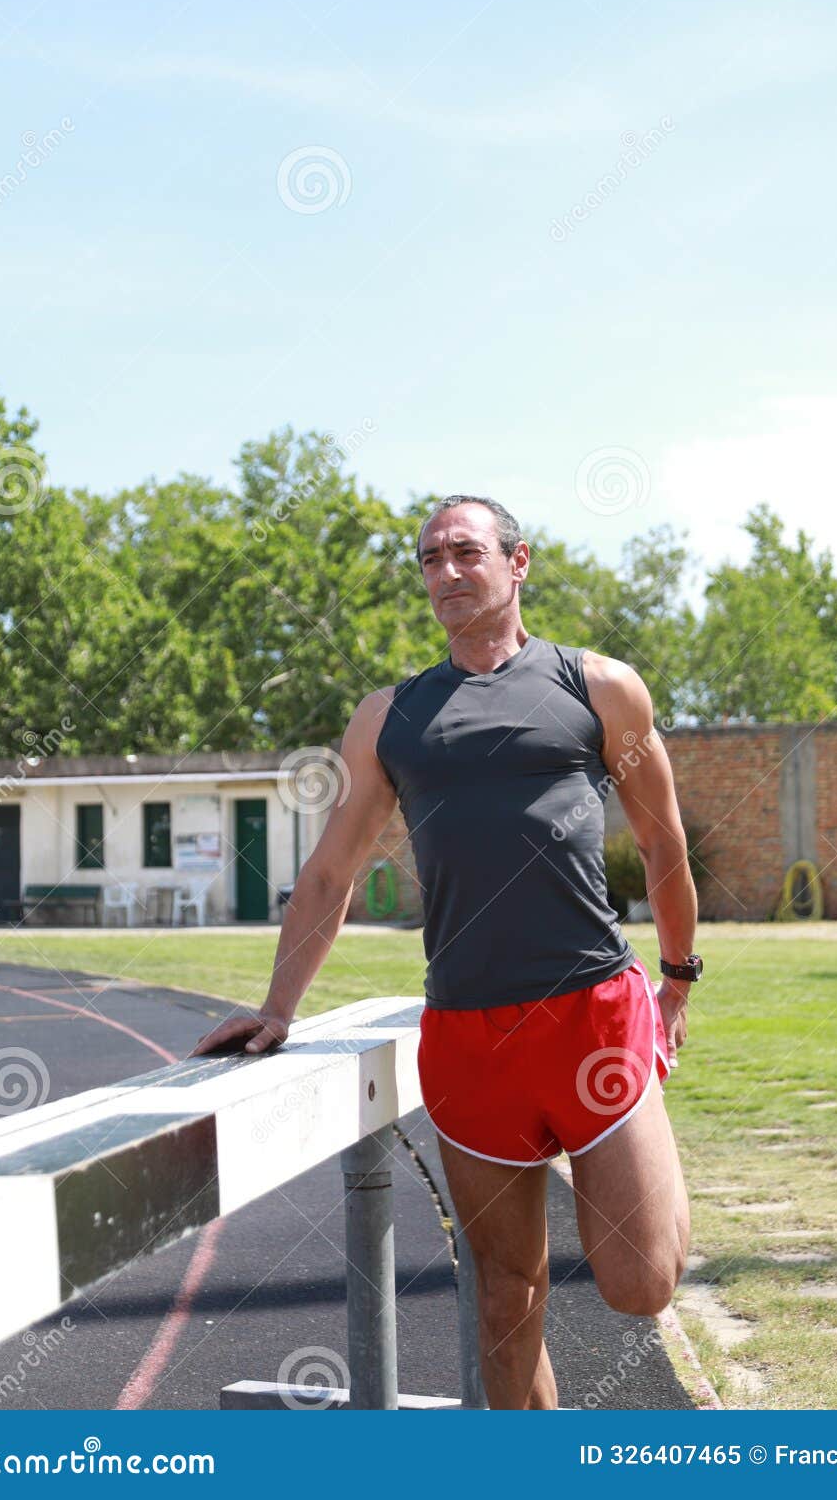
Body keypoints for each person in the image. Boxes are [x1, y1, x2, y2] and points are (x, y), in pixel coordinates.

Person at [192, 495, 699, 1409]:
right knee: (506, 1299)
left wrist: (678, 977)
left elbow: (664, 843)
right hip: (469, 1037)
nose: (446, 572)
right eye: (429, 559)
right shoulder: (391, 717)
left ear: (519, 562)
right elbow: (329, 873)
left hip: (596, 1018)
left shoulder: (600, 687)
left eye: (466, 552)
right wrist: (278, 1008)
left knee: (642, 1283)